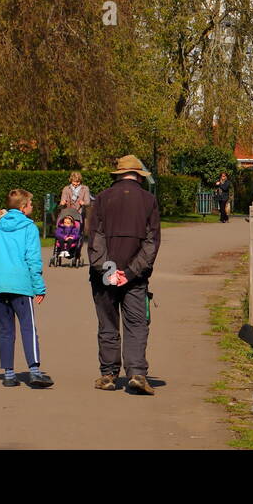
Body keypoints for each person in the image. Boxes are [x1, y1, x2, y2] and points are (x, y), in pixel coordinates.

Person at [89, 155, 161, 394]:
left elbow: (96, 239)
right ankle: (137, 372)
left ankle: (108, 374)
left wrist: (108, 270)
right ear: (139, 176)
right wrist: (130, 273)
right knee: (136, 324)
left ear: (118, 174)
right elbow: (151, 243)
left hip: (104, 275)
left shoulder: (102, 199)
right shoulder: (148, 200)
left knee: (108, 323)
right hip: (136, 277)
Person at [0, 188, 53, 388]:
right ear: (23, 207)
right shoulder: (29, 228)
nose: (32, 207)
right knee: (28, 327)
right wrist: (39, 287)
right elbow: (33, 259)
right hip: (21, 285)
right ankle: (34, 371)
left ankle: (9, 374)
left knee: (5, 330)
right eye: (30, 204)